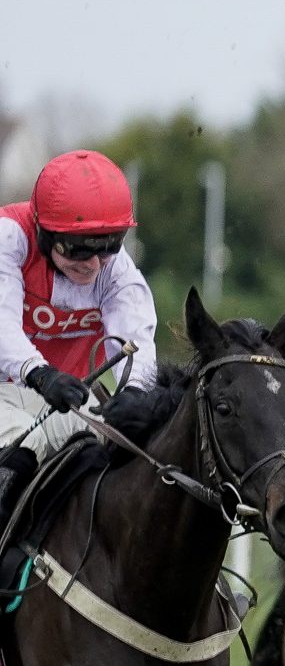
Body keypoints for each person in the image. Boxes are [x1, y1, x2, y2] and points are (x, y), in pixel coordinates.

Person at [0, 150, 159, 524]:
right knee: (23, 448)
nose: (92, 264)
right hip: (17, 390)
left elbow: (136, 336)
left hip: (57, 399)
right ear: (43, 232)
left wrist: (136, 392)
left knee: (140, 449)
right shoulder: (9, 237)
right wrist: (40, 373)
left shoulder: (115, 270)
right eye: (77, 249)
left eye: (107, 247)